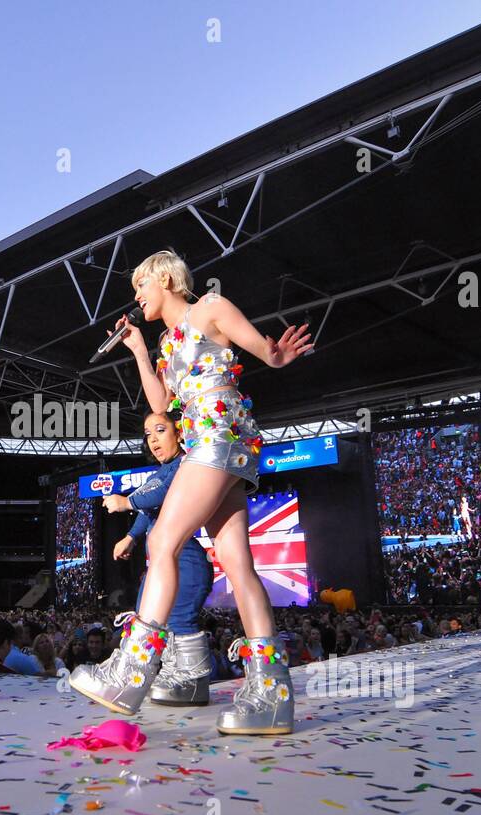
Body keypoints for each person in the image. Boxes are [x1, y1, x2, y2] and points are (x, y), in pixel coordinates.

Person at [87, 250, 312, 734]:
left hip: (218, 438)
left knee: (162, 542)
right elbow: (161, 405)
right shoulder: (168, 340)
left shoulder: (209, 307)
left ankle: (130, 672)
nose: (137, 297)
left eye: (140, 286)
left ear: (165, 279)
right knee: (237, 564)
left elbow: (263, 351)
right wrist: (141, 352)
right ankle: (271, 696)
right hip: (215, 444)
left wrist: (277, 355)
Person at [70, 408, 215, 711]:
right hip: (163, 563)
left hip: (184, 560)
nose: (152, 440)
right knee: (146, 617)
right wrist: (132, 537)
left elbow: (157, 494)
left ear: (180, 431)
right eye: (148, 434)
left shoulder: (186, 464)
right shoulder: (161, 471)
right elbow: (150, 509)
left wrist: (127, 501)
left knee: (178, 619)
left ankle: (192, 682)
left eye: (160, 430)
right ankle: (166, 679)